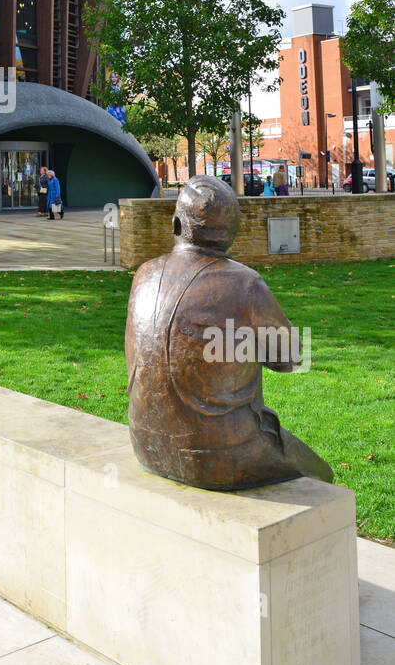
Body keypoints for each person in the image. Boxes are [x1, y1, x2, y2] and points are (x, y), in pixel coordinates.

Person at [124, 175, 333, 490]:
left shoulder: (144, 275)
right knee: (322, 476)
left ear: (176, 225)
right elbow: (291, 358)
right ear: (230, 235)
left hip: (145, 443)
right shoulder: (245, 284)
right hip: (220, 454)